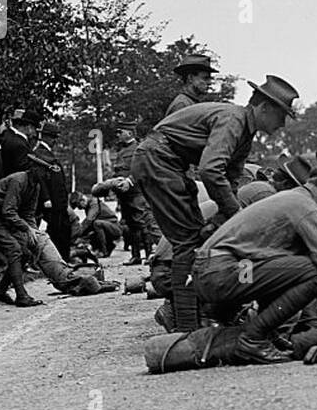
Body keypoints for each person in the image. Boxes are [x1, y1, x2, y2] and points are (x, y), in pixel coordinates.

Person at [132, 75, 299, 335]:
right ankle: (186, 328)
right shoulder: (233, 120)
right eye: (281, 116)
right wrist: (234, 214)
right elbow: (211, 171)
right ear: (265, 108)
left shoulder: (245, 134)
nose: (282, 125)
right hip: (158, 160)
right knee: (187, 242)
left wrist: (229, 220)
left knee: (198, 238)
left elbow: (231, 180)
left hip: (169, 164)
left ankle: (192, 314)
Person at [192, 150, 317, 362]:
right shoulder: (306, 208)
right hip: (226, 273)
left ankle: (266, 334)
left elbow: (287, 265)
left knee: (292, 269)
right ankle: (253, 338)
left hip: (222, 271)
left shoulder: (293, 199)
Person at [0, 153, 55, 307]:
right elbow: (8, 211)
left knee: (25, 254)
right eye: (45, 170)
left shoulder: (35, 186)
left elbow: (28, 214)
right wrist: (26, 228)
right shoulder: (19, 180)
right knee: (14, 249)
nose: (47, 175)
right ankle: (21, 296)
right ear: (34, 168)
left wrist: (34, 233)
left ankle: (0, 292)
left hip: (1, 218)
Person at [110, 121, 161, 265]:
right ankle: (136, 255)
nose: (118, 135)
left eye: (121, 132)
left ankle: (149, 253)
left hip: (137, 192)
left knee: (143, 223)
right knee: (131, 225)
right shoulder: (121, 151)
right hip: (124, 194)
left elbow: (141, 169)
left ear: (130, 133)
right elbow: (119, 171)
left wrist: (130, 182)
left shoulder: (138, 149)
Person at [33, 120, 73, 259]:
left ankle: (62, 260)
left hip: (58, 201)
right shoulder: (39, 154)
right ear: (45, 137)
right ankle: (58, 261)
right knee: (57, 232)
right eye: (53, 137)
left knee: (62, 230)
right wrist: (46, 199)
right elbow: (40, 178)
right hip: (52, 202)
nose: (55, 140)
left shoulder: (46, 154)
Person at [0, 106, 41, 177]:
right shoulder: (20, 144)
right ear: (29, 127)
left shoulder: (11, 137)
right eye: (34, 129)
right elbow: (23, 171)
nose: (34, 133)